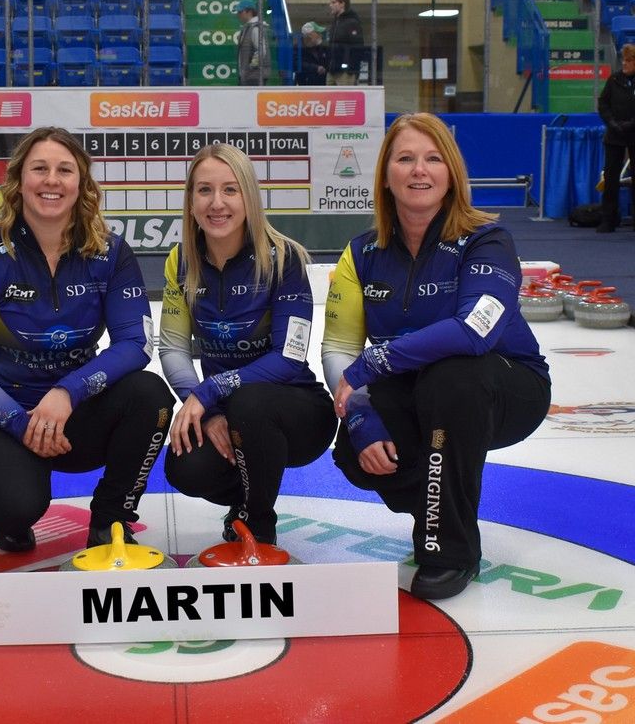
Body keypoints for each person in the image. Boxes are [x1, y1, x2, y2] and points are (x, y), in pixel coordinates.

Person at [321, 113, 551, 600]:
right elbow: (340, 348)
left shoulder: (488, 240)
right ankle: (443, 508)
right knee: (354, 446)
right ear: (386, 175)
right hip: (419, 388)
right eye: (405, 159)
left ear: (451, 173)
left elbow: (474, 331)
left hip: (504, 388)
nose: (418, 170)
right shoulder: (362, 252)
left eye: (432, 158)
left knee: (453, 379)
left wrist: (375, 363)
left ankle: (451, 551)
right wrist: (363, 418)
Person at [0, 126, 174, 551]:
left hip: (76, 412)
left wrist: (69, 391)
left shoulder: (112, 252)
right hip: (5, 417)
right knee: (10, 508)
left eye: (65, 170)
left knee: (151, 394)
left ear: (81, 183)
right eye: (40, 169)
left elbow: (135, 344)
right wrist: (20, 422)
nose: (52, 180)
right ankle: (11, 512)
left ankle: (111, 519)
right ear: (19, 181)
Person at [160, 144, 337, 546]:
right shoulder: (182, 259)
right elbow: (172, 348)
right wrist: (203, 408)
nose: (216, 203)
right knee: (184, 466)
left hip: (297, 411)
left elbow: (289, 359)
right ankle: (243, 498)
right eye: (204, 190)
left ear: (249, 199)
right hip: (224, 408)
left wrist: (213, 391)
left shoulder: (284, 258)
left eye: (230, 190)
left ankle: (259, 526)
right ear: (190, 201)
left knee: (251, 403)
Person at [596, 43, 635, 234]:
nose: (625, 63)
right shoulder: (614, 80)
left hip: (633, 133)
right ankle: (608, 219)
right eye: (624, 60)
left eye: (629, 60)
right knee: (611, 178)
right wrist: (612, 122)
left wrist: (630, 124)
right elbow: (603, 103)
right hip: (614, 135)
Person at [326, 0, 364, 86]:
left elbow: (357, 47)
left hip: (345, 71)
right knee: (329, 97)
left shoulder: (352, 22)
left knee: (343, 96)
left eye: (334, 2)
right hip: (332, 69)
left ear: (342, 4)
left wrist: (350, 69)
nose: (330, 5)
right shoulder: (336, 22)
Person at [233, 0, 271, 86]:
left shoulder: (255, 28)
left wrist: (251, 67)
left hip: (254, 76)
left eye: (240, 12)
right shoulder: (250, 28)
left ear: (249, 12)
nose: (238, 15)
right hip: (250, 76)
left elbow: (261, 51)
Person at [296, 21, 329, 86]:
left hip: (322, 84)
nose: (320, 35)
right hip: (306, 84)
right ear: (310, 35)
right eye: (318, 33)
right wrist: (315, 68)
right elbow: (297, 63)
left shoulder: (321, 47)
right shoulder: (298, 48)